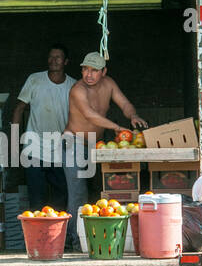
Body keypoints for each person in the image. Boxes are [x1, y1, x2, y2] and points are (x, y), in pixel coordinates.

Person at [62, 52, 147, 247]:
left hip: (97, 145)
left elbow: (124, 103)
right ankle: (76, 243)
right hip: (73, 142)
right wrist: (117, 127)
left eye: (94, 70)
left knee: (102, 192)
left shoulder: (109, 84)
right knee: (78, 193)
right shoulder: (77, 89)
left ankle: (97, 239)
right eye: (85, 69)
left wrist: (132, 115)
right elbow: (90, 115)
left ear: (104, 72)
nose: (88, 74)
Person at [11, 44, 76, 213]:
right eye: (51, 56)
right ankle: (37, 238)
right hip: (34, 149)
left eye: (58, 57)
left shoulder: (74, 86)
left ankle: (58, 238)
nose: (53, 60)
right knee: (36, 202)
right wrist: (13, 143)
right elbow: (19, 109)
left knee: (61, 200)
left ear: (66, 62)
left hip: (60, 151)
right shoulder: (35, 80)